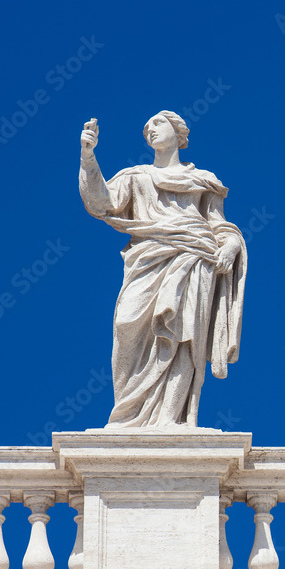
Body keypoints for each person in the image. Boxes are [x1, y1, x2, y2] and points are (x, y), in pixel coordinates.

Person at [79, 111, 247, 427]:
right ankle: (130, 416)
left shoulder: (202, 180)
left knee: (183, 333)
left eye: (158, 123)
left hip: (194, 256)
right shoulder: (135, 176)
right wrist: (88, 158)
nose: (150, 130)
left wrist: (231, 245)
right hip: (146, 259)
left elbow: (219, 224)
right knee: (127, 325)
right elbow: (101, 203)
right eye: (146, 128)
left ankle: (169, 419)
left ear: (179, 133)